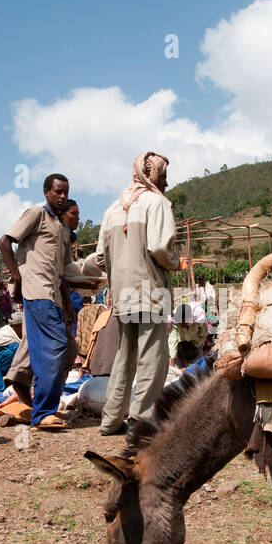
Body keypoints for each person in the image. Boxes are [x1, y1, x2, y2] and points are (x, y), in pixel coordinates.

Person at [95, 151, 179, 436]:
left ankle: (110, 419)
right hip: (151, 291)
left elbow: (100, 257)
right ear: (152, 175)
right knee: (152, 358)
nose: (166, 182)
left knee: (124, 356)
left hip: (122, 294)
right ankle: (141, 421)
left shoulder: (111, 210)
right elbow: (159, 248)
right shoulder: (157, 204)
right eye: (163, 176)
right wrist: (174, 261)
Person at [0, 174, 73, 430]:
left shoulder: (62, 227)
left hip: (53, 295)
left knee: (60, 349)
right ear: (46, 192)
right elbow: (4, 241)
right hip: (36, 291)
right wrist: (17, 277)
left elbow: (62, 270)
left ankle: (42, 407)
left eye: (65, 192)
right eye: (58, 192)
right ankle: (42, 412)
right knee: (53, 347)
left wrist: (69, 302)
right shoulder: (36, 214)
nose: (62, 196)